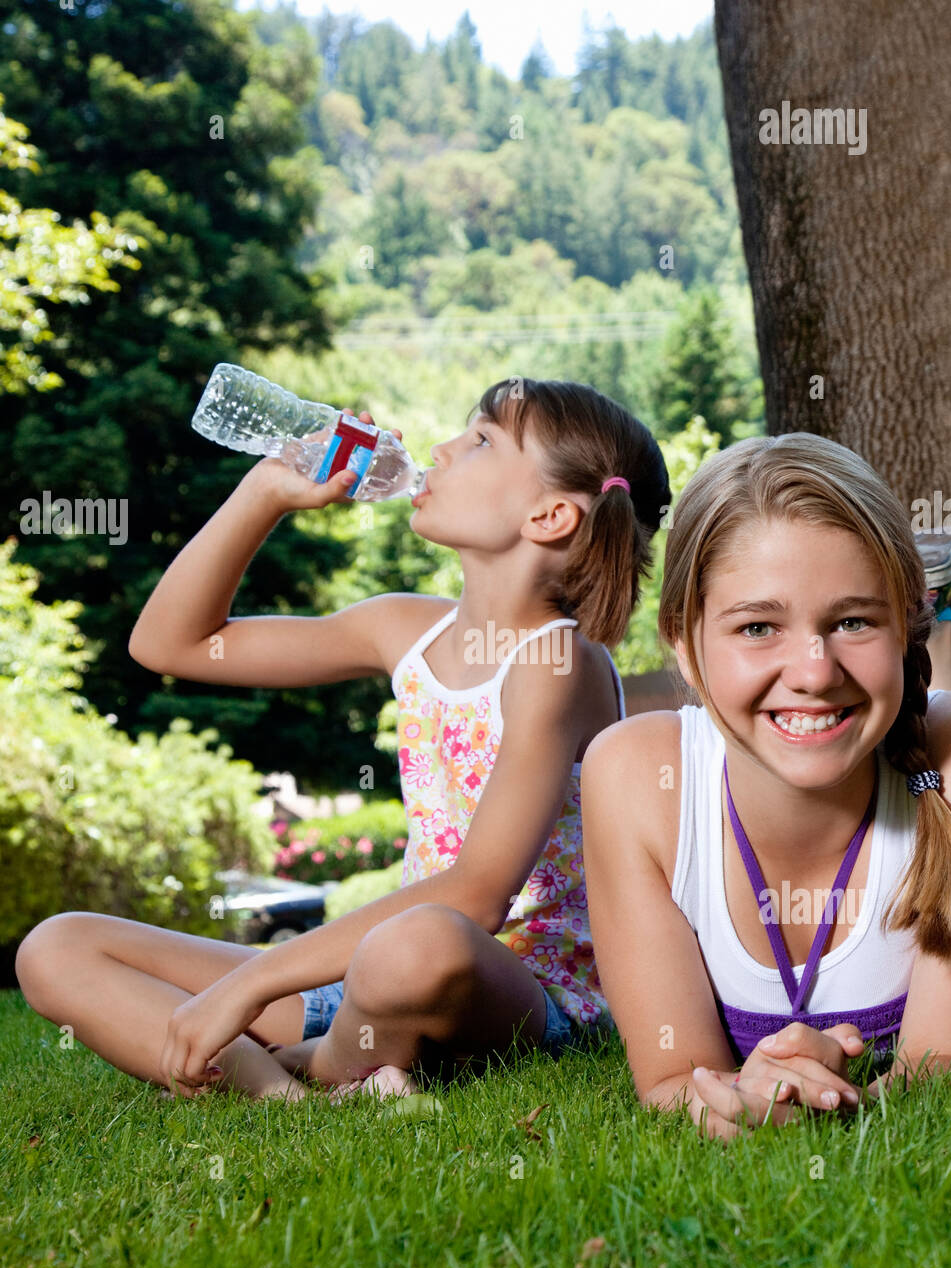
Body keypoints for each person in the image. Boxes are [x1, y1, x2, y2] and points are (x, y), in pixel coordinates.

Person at [16, 380, 671, 1101]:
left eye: (481, 440)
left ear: (548, 515)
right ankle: (284, 1095)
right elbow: (173, 643)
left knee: (421, 939)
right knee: (58, 947)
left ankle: (311, 1063)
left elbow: (478, 896)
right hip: (367, 985)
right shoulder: (402, 629)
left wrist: (252, 981)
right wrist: (263, 493)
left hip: (515, 990)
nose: (441, 450)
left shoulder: (559, 663)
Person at [581, 433, 951, 1142]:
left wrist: (825, 1096)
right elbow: (675, 1077)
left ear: (899, 628)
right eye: (758, 626)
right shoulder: (633, 775)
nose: (814, 670)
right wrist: (750, 1096)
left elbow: (944, 1068)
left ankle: (939, 626)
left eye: (851, 620)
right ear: (682, 642)